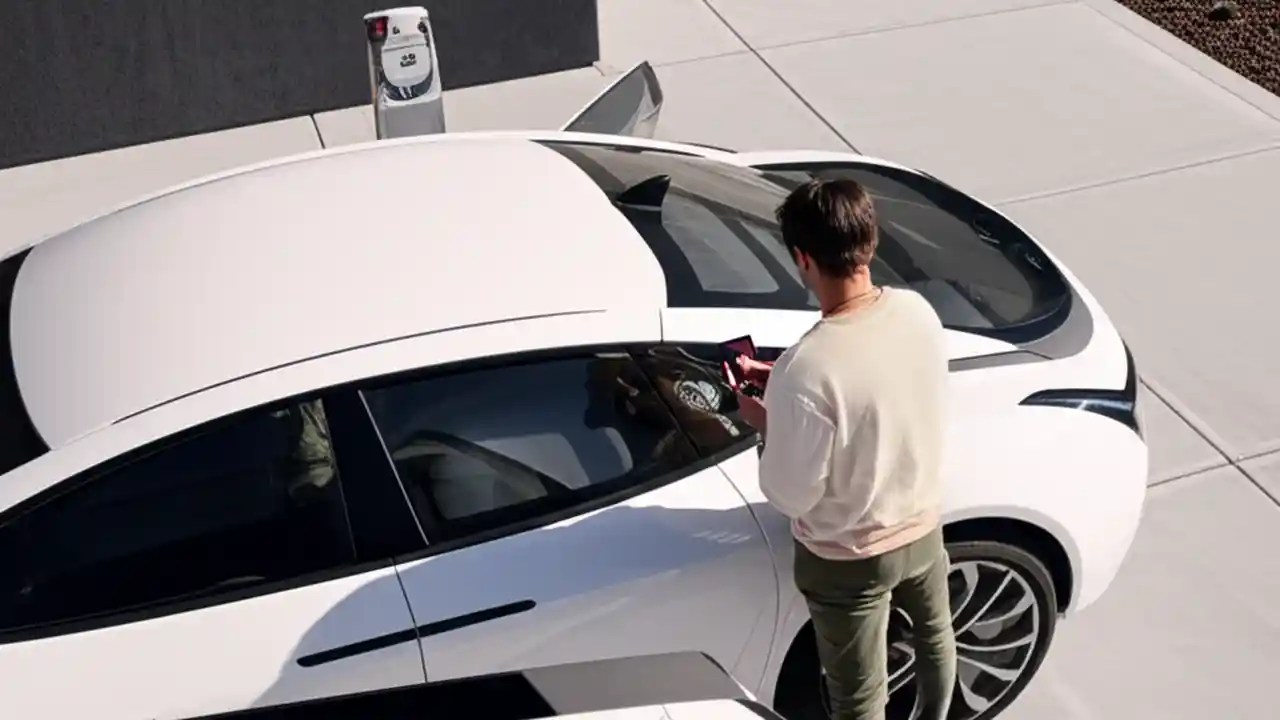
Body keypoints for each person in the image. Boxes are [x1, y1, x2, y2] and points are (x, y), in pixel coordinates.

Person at [733, 178, 956, 720]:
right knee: (935, 639)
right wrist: (786, 389)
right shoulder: (917, 312)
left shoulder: (805, 370)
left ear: (802, 259)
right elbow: (878, 385)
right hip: (922, 527)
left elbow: (791, 494)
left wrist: (768, 422)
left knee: (860, 699)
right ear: (870, 242)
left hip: (848, 559)